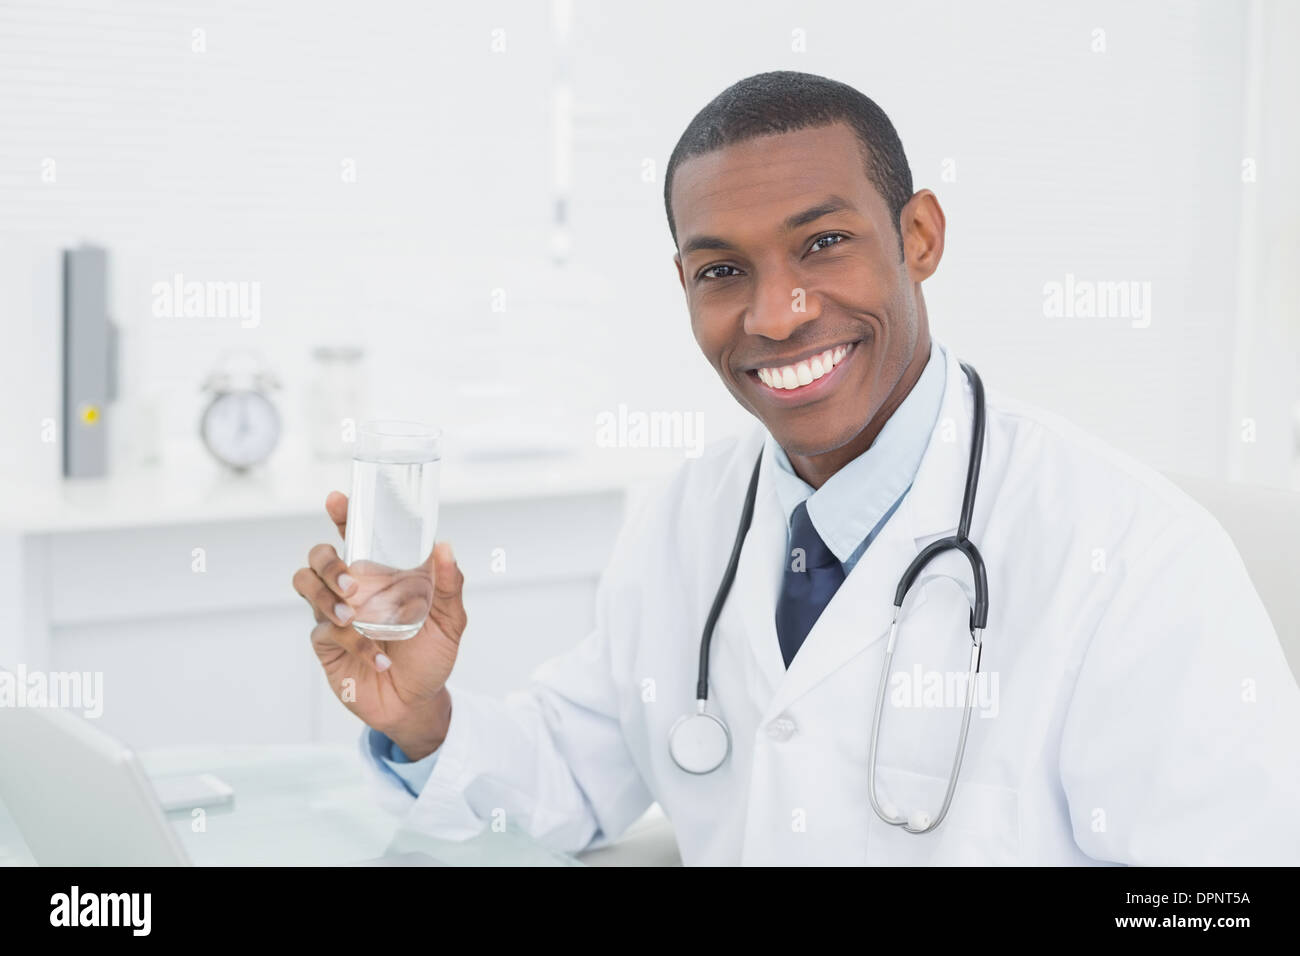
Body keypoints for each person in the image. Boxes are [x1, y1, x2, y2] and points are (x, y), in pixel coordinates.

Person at [292, 71, 1300, 865]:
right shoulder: (682, 519)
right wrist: (418, 712)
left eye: (822, 243)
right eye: (721, 270)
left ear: (920, 237)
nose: (775, 314)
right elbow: (570, 773)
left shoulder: (1130, 554)